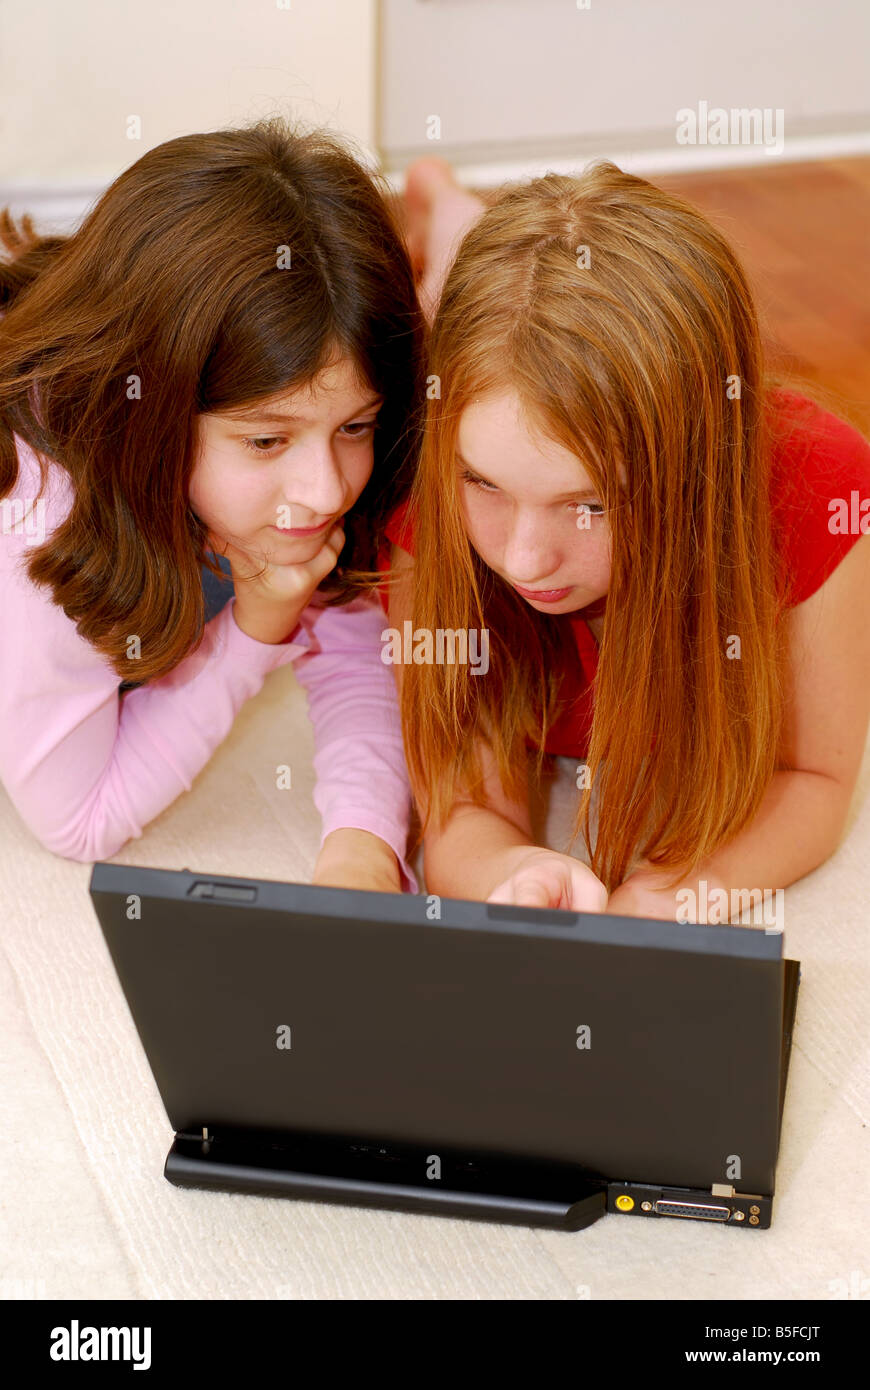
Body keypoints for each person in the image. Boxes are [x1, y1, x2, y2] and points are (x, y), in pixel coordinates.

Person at [381, 157, 870, 921]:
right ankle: (447, 215)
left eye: (589, 506)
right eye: (485, 484)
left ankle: (450, 213)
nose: (522, 559)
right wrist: (509, 872)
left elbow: (815, 779)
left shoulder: (824, 487)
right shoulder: (425, 502)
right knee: (449, 294)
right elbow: (462, 811)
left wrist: (665, 895)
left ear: (703, 470)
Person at [0, 117, 427, 893]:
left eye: (356, 426)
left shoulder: (268, 454)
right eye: (267, 441)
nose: (326, 491)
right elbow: (79, 820)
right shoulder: (37, 515)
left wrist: (363, 843)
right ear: (148, 410)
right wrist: (256, 626)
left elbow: (356, 637)